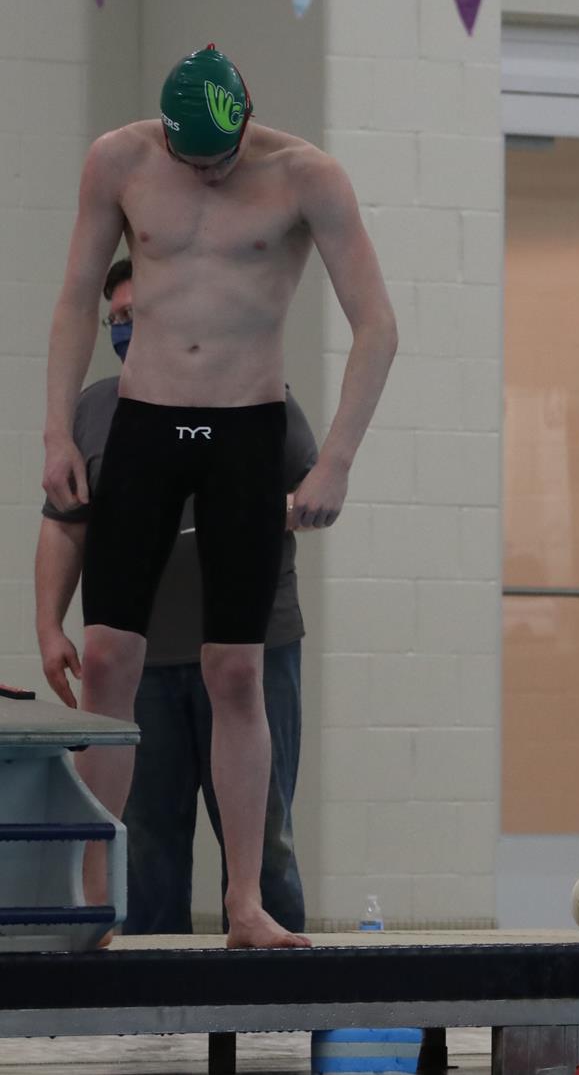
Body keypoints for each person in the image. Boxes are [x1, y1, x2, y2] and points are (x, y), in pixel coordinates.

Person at [42, 45, 397, 948]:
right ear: (165, 131)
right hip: (145, 424)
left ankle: (245, 904)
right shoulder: (118, 159)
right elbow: (78, 297)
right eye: (191, 160)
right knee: (110, 661)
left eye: (221, 158)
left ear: (248, 120)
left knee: (237, 671)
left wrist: (337, 463)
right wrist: (55, 432)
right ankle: (94, 900)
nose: (206, 175)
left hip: (246, 430)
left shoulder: (305, 175)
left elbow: (378, 326)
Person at [35, 257, 317, 934]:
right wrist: (49, 626)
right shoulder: (98, 410)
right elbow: (62, 524)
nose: (129, 329)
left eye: (141, 314)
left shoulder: (259, 397)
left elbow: (308, 493)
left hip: (253, 644)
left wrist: (242, 513)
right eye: (119, 319)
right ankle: (143, 963)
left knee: (264, 828)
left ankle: (266, 943)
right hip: (146, 657)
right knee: (149, 834)